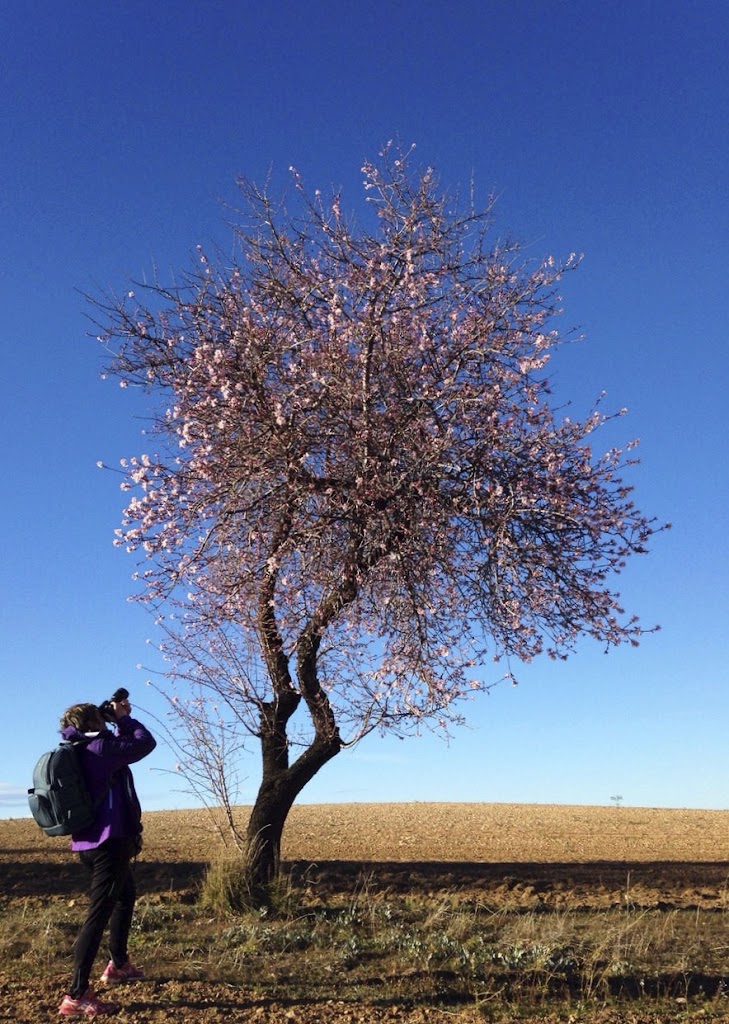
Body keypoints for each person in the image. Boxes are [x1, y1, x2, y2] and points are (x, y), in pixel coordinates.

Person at [57, 693, 156, 1018]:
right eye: (101, 720)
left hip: (89, 844)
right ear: (91, 725)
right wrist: (123, 719)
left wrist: (111, 722)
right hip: (108, 845)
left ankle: (118, 963)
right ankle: (76, 994)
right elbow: (144, 743)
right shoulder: (100, 749)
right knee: (97, 916)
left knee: (126, 896)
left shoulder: (81, 750)